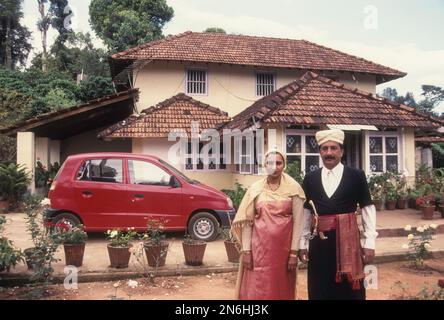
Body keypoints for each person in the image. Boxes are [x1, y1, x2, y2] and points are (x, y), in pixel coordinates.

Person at [298, 129, 378, 300]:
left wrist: (370, 242)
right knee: (320, 286)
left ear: (341, 151)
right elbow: (306, 212)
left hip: (349, 243)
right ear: (319, 152)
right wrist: (302, 243)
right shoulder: (310, 178)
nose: (329, 153)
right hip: (319, 244)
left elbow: (367, 208)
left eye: (333, 148)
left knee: (349, 288)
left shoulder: (356, 176)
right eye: (324, 148)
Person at [231, 149, 306, 300]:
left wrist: (293, 253)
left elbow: (299, 223)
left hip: (284, 253)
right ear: (264, 165)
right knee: (257, 289)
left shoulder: (294, 188)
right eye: (270, 163)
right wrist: (246, 251)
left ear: (284, 164)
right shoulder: (255, 189)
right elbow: (247, 222)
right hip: (258, 250)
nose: (274, 167)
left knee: (281, 288)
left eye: (278, 163)